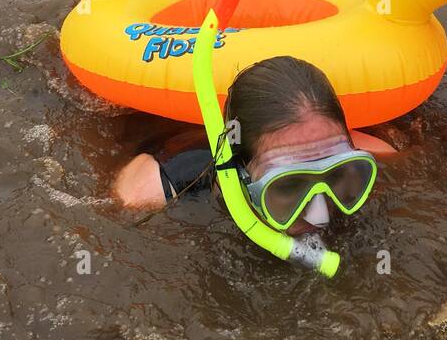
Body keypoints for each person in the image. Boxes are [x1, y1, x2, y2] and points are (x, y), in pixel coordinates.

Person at [114, 56, 396, 236]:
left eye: (336, 173)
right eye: (288, 185)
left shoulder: (371, 160)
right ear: (242, 172)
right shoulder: (152, 192)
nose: (320, 215)